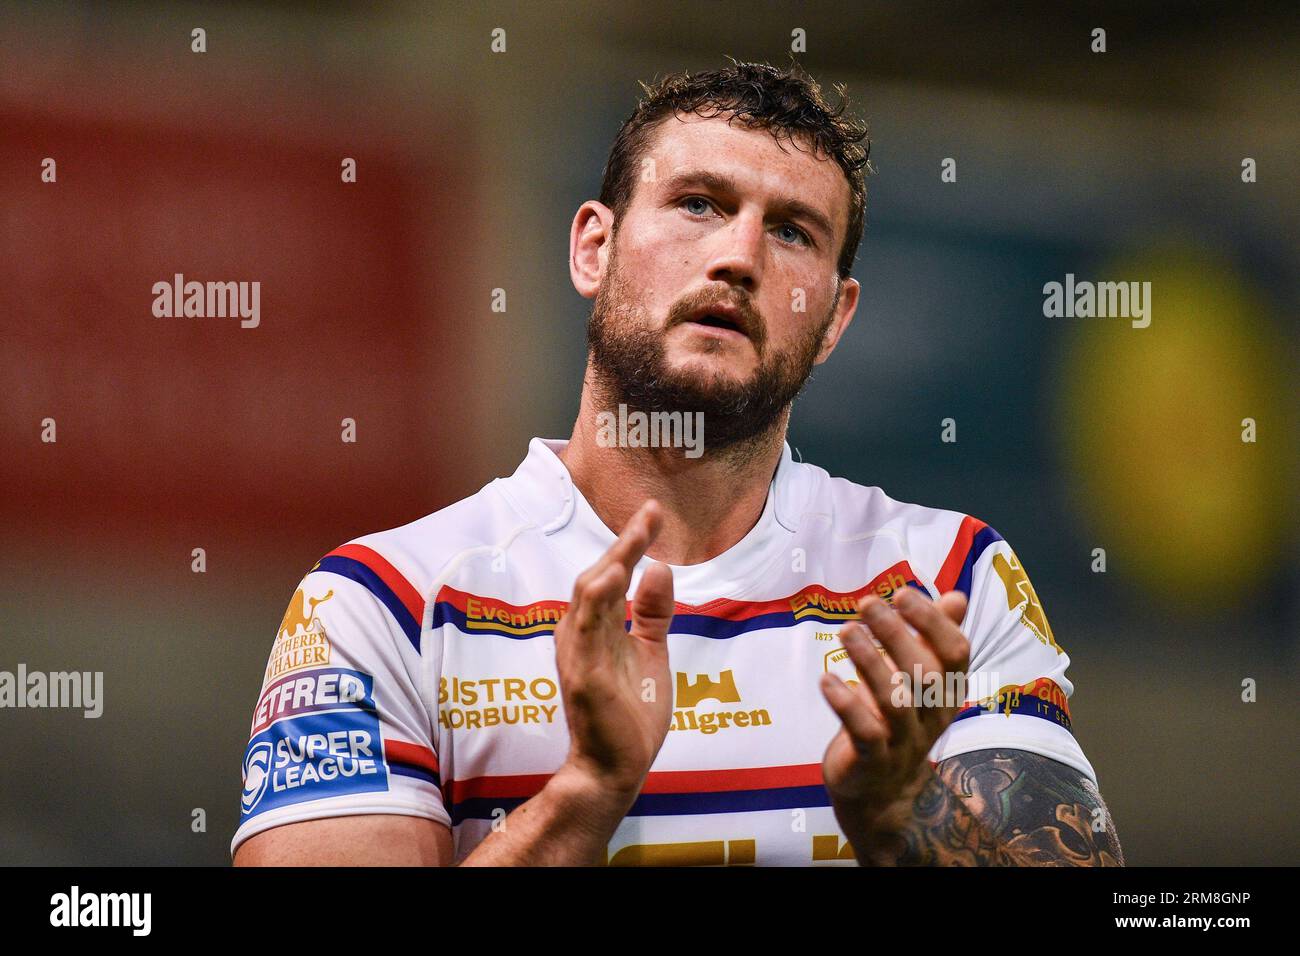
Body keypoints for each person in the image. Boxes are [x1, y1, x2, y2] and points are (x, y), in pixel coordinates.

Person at [233, 60, 1123, 866]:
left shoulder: (947, 586)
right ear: (594, 247)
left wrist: (896, 815)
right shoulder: (383, 602)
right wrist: (587, 795)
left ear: (835, 320)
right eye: (698, 203)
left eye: (793, 233)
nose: (737, 256)